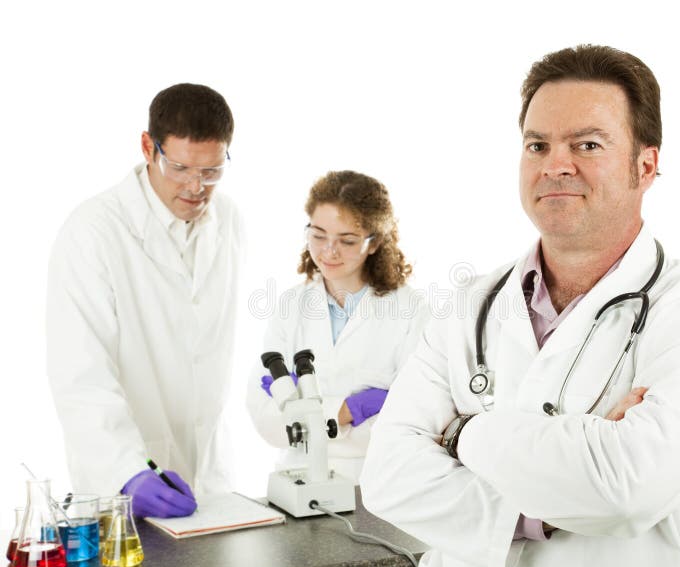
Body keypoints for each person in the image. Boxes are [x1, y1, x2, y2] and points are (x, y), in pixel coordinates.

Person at [361, 45, 680, 567]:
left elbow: (626, 489)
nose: (556, 165)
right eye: (537, 145)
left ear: (646, 164)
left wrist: (462, 437)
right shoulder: (467, 306)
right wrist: (549, 500)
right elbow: (386, 475)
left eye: (587, 144)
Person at [47, 83, 243, 518]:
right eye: (180, 168)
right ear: (147, 147)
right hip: (120, 487)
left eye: (211, 171)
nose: (196, 187)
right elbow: (80, 377)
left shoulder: (228, 221)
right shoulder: (93, 231)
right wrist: (126, 471)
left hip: (210, 483)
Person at [247, 170, 429, 482]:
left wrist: (302, 412)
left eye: (346, 240)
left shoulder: (411, 312)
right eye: (318, 235)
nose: (329, 251)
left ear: (374, 243)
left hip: (374, 484)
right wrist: (345, 411)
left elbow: (413, 420)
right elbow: (263, 415)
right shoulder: (292, 306)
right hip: (296, 479)